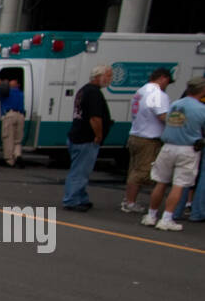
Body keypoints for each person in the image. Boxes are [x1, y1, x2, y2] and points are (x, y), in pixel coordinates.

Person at [140, 77, 205, 232]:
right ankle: (167, 218)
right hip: (187, 148)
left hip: (168, 147)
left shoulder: (176, 104)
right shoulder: (201, 109)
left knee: (160, 182)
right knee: (179, 185)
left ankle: (151, 215)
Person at [121, 67, 172, 213]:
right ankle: (130, 202)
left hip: (136, 134)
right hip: (148, 138)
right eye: (167, 82)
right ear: (163, 78)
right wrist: (178, 122)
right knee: (142, 172)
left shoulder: (141, 91)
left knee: (134, 170)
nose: (166, 85)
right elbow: (163, 116)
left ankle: (128, 199)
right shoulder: (158, 94)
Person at [62, 64, 113, 212]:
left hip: (77, 135)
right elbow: (95, 117)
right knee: (80, 171)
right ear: (99, 76)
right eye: (108, 76)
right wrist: (98, 135)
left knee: (80, 169)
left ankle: (80, 197)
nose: (109, 79)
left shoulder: (84, 90)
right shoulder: (93, 93)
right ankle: (72, 199)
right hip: (85, 138)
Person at [0, 74, 26, 167]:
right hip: (21, 116)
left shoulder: (6, 92)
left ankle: (10, 160)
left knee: (8, 138)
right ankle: (18, 155)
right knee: (17, 140)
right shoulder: (21, 93)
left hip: (9, 116)